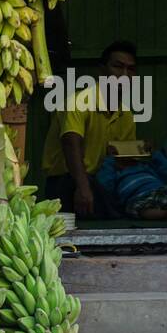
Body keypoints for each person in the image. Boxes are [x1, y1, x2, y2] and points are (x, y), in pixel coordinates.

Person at [42, 40, 138, 218]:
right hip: (67, 181)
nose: (124, 75)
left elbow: (122, 160)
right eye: (118, 67)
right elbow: (71, 142)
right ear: (101, 71)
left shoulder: (126, 115)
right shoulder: (79, 102)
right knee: (112, 212)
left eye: (130, 70)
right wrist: (83, 188)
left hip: (99, 181)